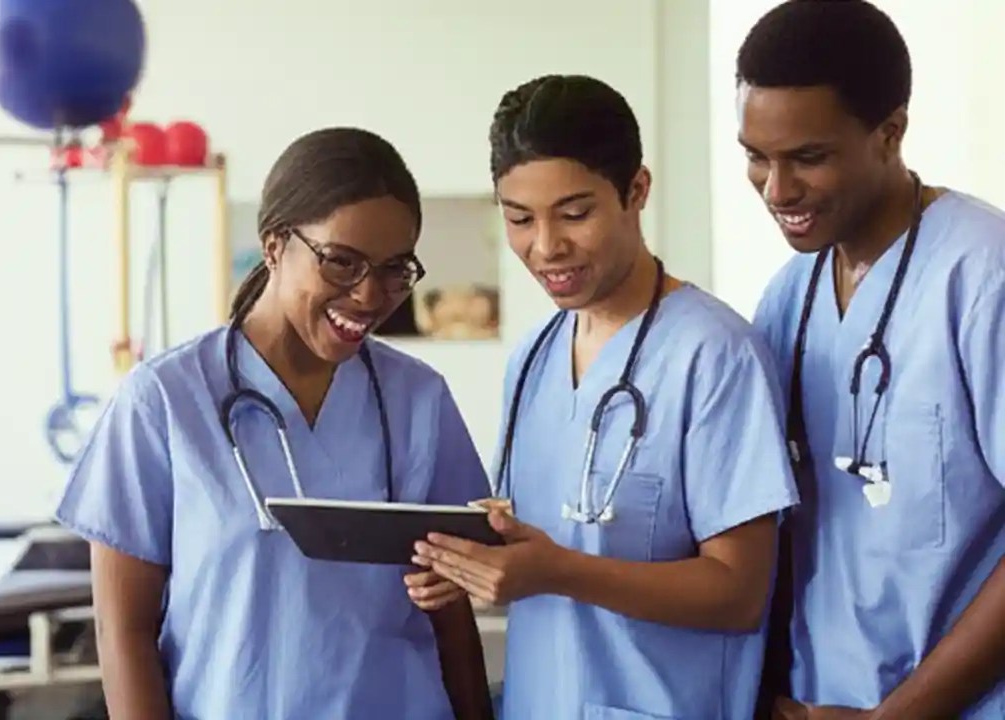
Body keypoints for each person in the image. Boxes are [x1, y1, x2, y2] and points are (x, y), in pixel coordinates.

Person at [54, 127, 494, 720]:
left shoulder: (418, 398)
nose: (369, 296)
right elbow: (122, 630)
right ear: (274, 244)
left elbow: (452, 616)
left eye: (394, 270)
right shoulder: (164, 401)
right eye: (342, 263)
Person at [406, 73, 800, 719]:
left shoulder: (714, 353)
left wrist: (557, 571)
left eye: (575, 213)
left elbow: (738, 592)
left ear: (636, 191)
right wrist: (468, 564)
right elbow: (551, 537)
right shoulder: (533, 357)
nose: (546, 246)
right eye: (519, 218)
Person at [736, 2, 1005, 718]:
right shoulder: (788, 298)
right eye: (756, 157)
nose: (776, 189)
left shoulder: (982, 273)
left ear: (890, 132)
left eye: (807, 158)